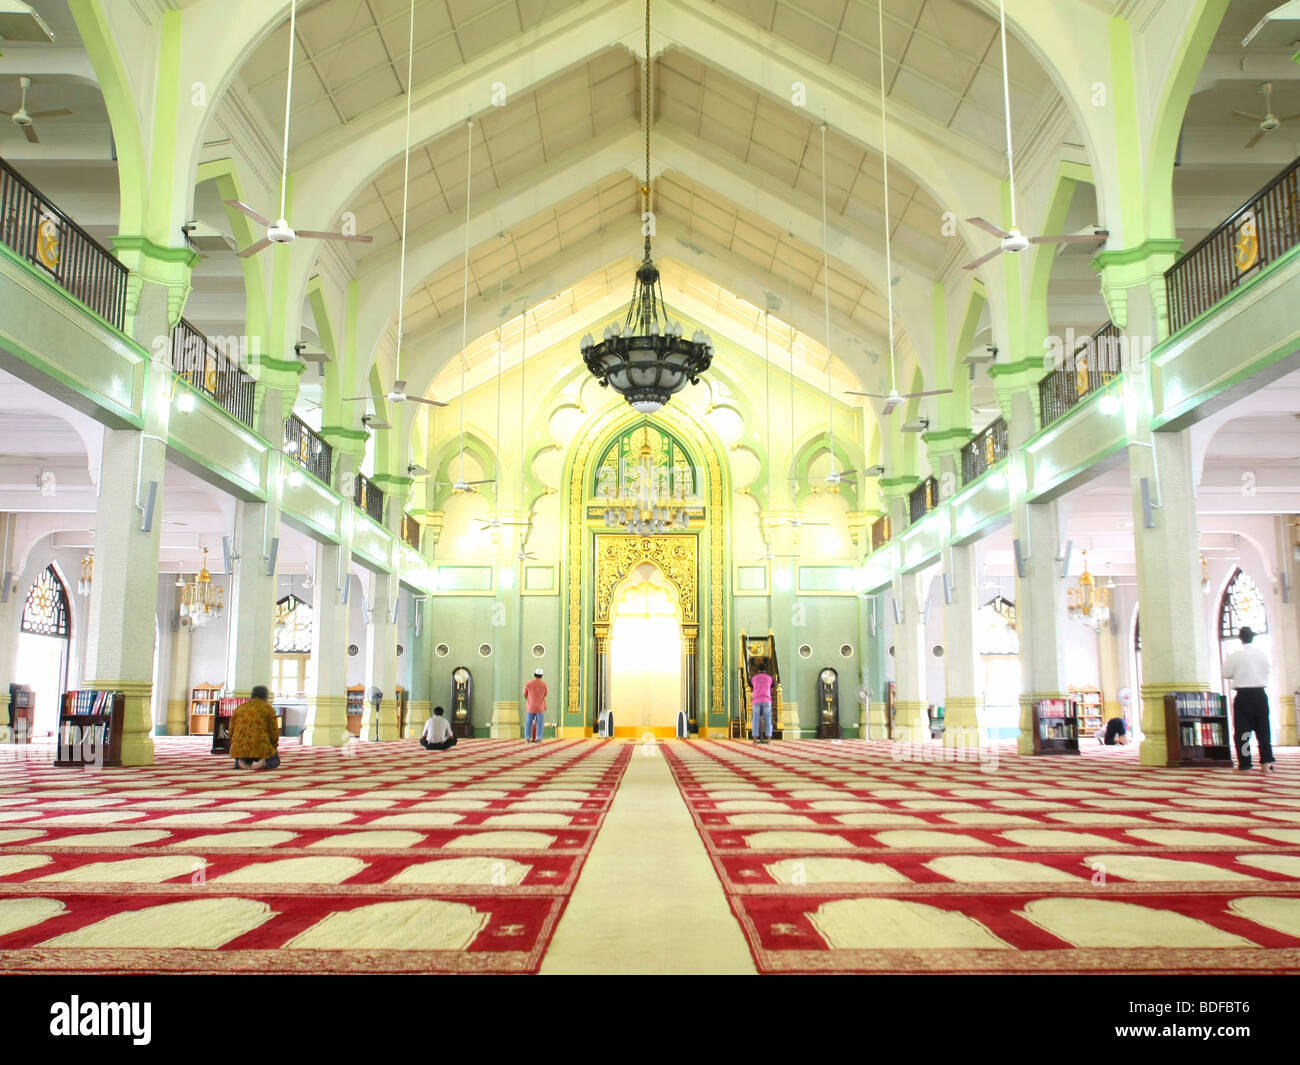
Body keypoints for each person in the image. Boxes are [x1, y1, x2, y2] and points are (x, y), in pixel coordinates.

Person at [1223, 626, 1275, 771]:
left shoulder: (1235, 656)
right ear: (1253, 637)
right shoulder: (1262, 655)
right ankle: (1266, 762)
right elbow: (1268, 670)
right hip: (1260, 695)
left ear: (1241, 639)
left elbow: (1226, 673)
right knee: (1263, 730)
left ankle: (1245, 763)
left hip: (1243, 696)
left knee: (1243, 732)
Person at [230, 685, 279, 770]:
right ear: (266, 697)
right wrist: (273, 747)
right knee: (275, 760)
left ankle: (240, 762)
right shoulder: (267, 709)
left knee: (243, 755)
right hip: (261, 748)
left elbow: (231, 731)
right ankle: (263, 762)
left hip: (240, 749)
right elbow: (274, 733)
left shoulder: (240, 708)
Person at [750, 658, 774, 745]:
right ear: (765, 670)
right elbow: (771, 689)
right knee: (768, 719)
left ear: (758, 670)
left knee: (755, 719)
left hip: (756, 700)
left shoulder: (753, 678)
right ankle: (769, 740)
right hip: (767, 700)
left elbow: (751, 689)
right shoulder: (770, 678)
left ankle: (755, 740)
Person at [524, 669, 547, 744]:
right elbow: (545, 694)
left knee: (528, 723)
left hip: (530, 707)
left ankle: (527, 739)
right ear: (541, 676)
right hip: (540, 707)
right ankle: (538, 739)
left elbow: (525, 694)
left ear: (534, 674)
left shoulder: (528, 683)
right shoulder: (544, 684)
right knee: (540, 723)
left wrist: (529, 700)